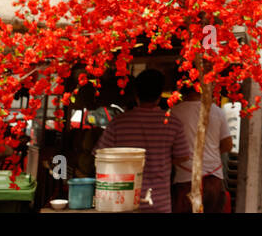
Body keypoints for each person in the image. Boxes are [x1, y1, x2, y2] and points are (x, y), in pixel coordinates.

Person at [97, 68, 191, 213]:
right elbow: (183, 156)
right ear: (160, 95)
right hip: (159, 202)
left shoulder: (118, 123)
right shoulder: (172, 123)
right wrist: (162, 159)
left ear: (136, 95)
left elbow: (100, 156)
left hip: (123, 202)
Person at [171, 87, 234, 213]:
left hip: (185, 180)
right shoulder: (217, 111)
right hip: (213, 179)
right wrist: (212, 152)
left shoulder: (174, 113)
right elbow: (227, 144)